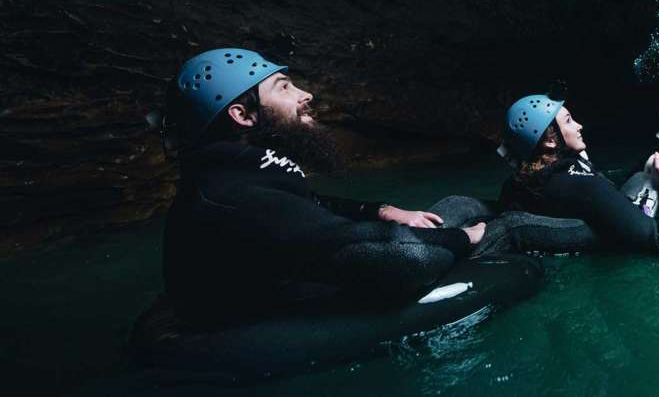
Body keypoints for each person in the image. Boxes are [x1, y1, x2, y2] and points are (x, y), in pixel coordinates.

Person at [160, 48, 488, 327]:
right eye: (284, 87)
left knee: (462, 204)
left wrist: (385, 211)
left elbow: (311, 205)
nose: (306, 94)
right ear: (243, 115)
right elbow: (404, 256)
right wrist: (464, 238)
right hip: (254, 318)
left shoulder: (240, 170)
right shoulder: (232, 195)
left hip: (293, 274)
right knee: (474, 227)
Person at [497, 93, 659, 255]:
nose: (579, 125)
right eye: (569, 120)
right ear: (550, 141)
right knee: (648, 175)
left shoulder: (515, 185)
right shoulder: (585, 186)